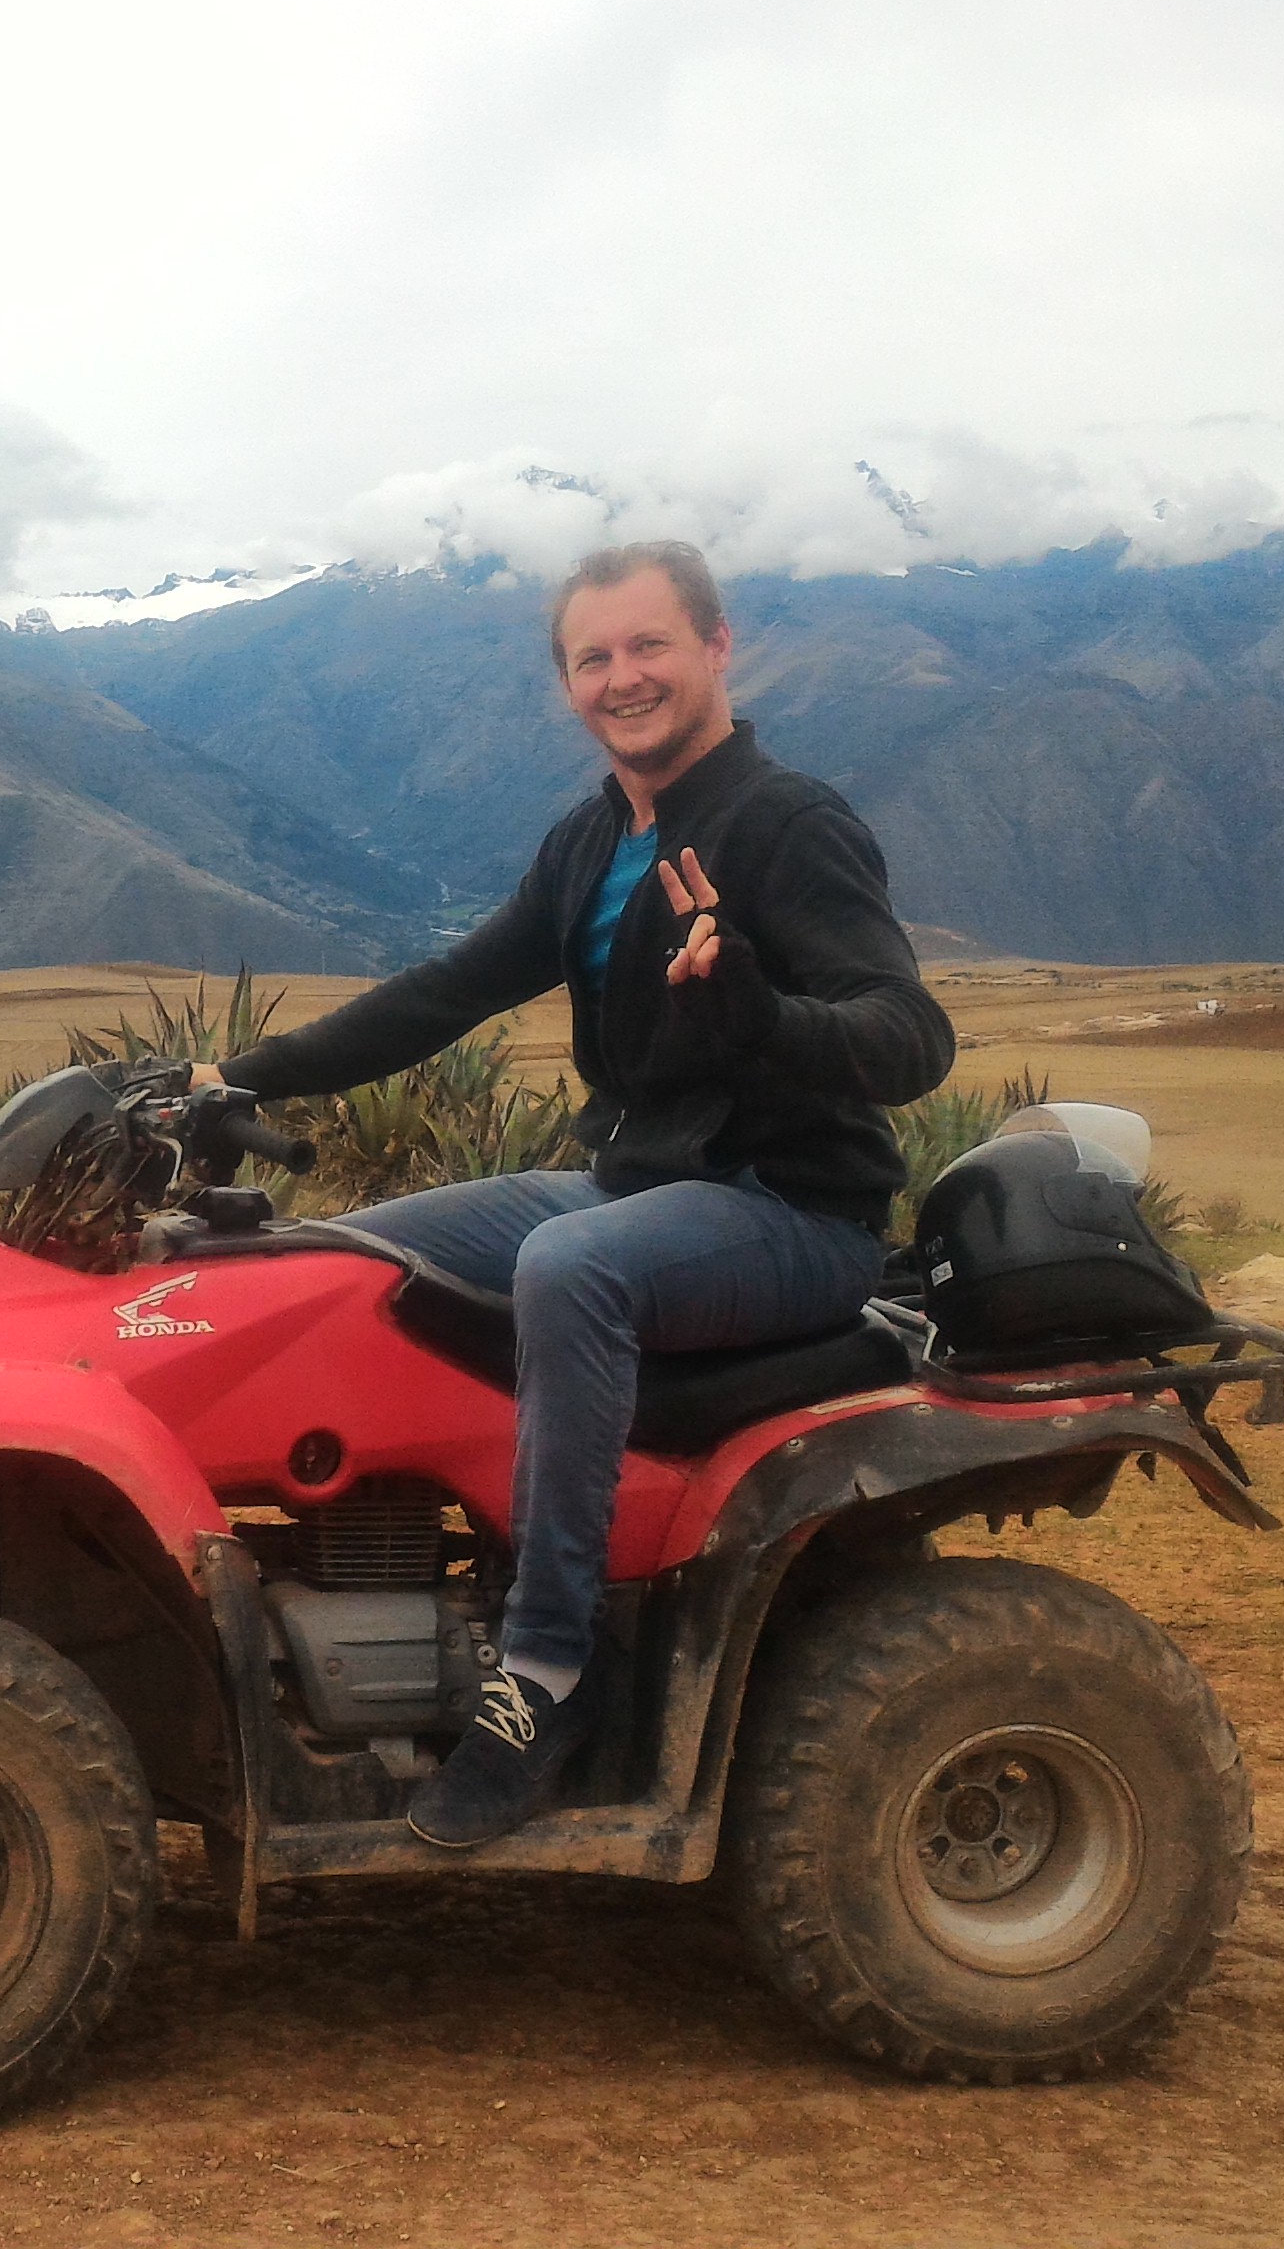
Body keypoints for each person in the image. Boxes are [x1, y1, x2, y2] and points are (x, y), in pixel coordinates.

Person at [204, 540, 955, 1846]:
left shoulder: (788, 824)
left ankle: (551, 1666)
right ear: (567, 682)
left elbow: (909, 1039)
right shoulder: (596, 840)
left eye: (650, 645)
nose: (625, 677)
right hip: (635, 1186)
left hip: (789, 1212)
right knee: (340, 1265)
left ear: (719, 649)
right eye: (595, 657)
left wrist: (757, 1012)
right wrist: (228, 1074)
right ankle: (384, 1592)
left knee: (573, 1270)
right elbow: (446, 994)